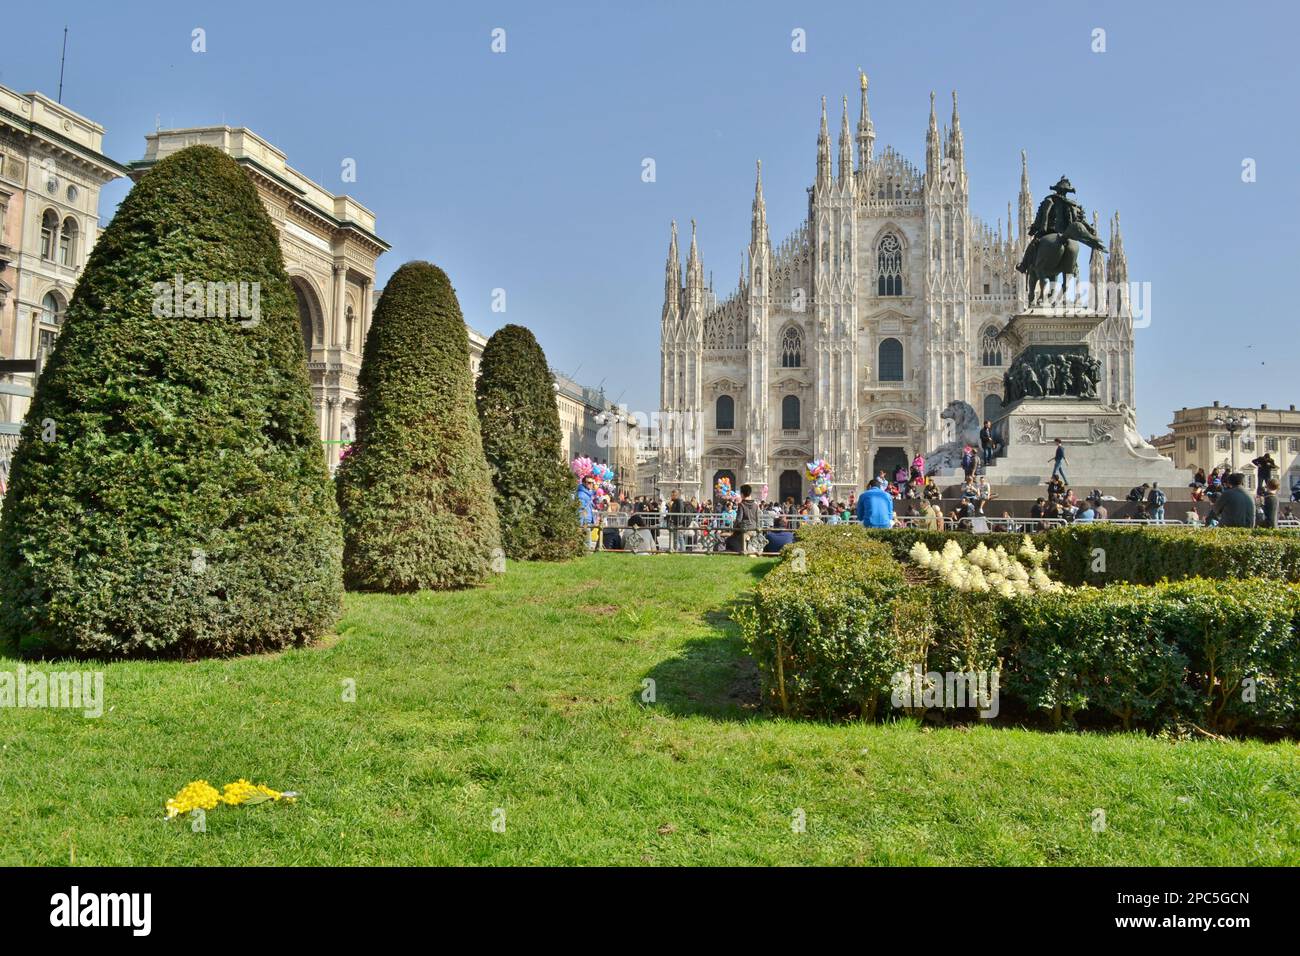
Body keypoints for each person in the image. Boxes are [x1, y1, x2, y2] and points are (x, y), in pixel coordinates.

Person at [726, 483, 760, 553]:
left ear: (742, 494)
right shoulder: (756, 505)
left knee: (729, 540)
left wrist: (733, 529)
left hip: (744, 530)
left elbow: (739, 519)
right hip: (754, 530)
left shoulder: (741, 505)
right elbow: (757, 519)